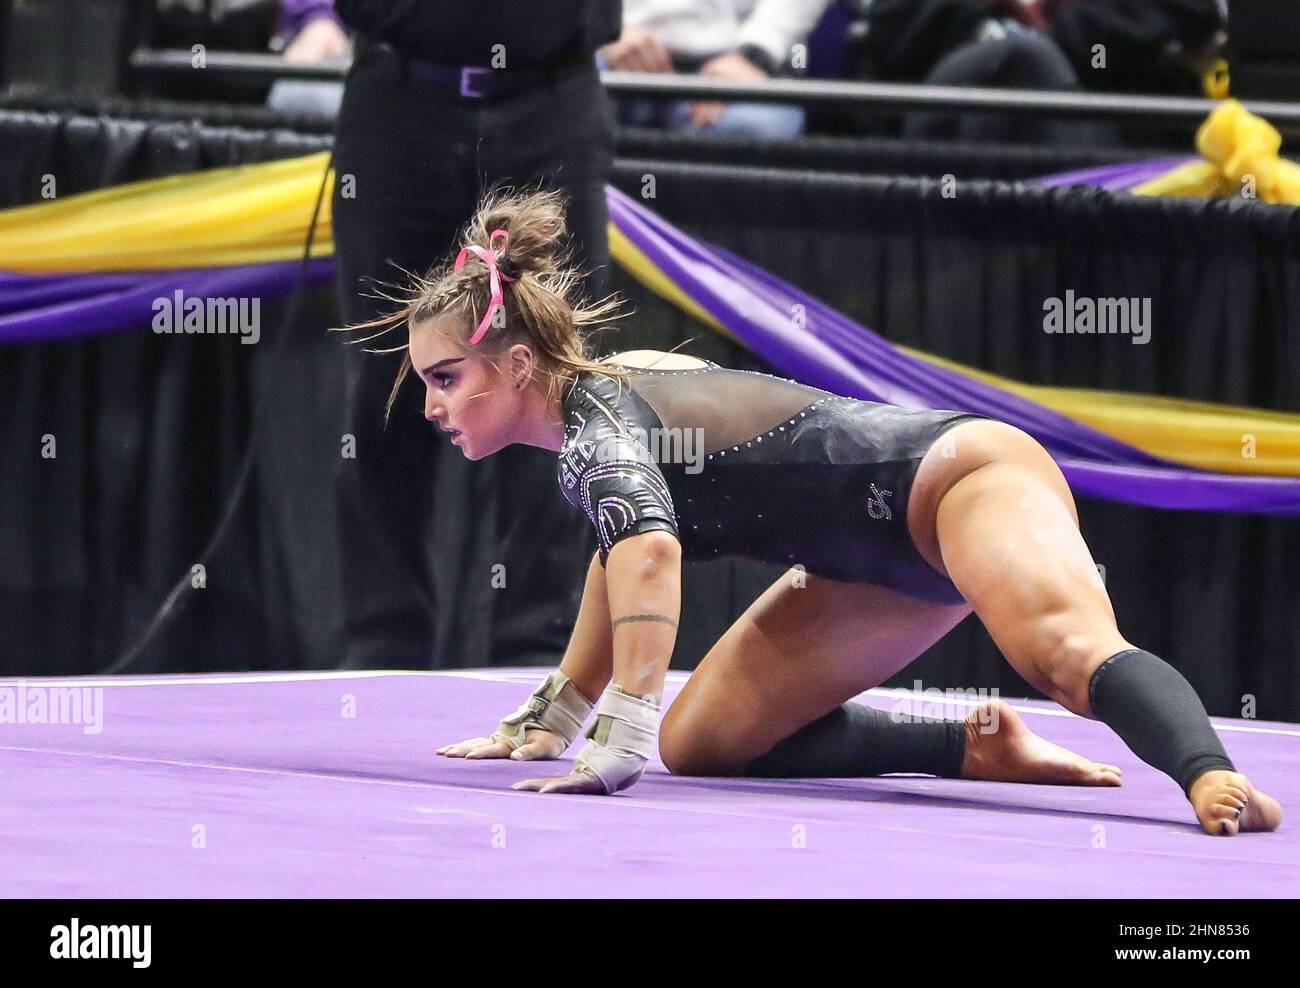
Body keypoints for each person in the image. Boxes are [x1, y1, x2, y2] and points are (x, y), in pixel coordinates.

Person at [353, 186, 1282, 838]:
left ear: (515, 367)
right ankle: (973, 743)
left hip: (959, 481)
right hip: (875, 567)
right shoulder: (596, 424)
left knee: (1066, 656)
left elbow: (647, 553)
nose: (432, 405)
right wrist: (562, 711)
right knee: (707, 742)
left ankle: (1208, 772)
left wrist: (621, 730)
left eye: (446, 378)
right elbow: (617, 552)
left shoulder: (601, 422)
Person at [330, 1, 620, 669]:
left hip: (550, 96)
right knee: (389, 373)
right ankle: (382, 642)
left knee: (550, 376)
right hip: (401, 99)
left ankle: (540, 643)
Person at [599, 0, 833, 139]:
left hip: (746, 62)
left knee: (753, 130)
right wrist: (604, 25)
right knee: (571, 109)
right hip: (608, 53)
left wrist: (753, 54)